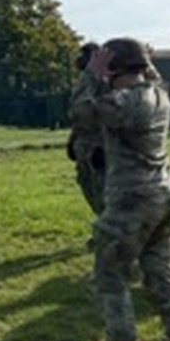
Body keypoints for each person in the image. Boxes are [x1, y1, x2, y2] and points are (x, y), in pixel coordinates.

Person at [70, 36, 170, 341]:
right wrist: (141, 58)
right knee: (163, 276)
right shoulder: (159, 93)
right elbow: (152, 77)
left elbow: (82, 113)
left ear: (113, 67)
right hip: (166, 194)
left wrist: (90, 74)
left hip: (131, 201)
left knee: (110, 277)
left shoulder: (124, 102)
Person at [67, 41, 106, 215]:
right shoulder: (87, 81)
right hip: (85, 148)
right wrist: (73, 139)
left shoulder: (103, 82)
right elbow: (78, 117)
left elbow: (87, 109)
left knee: (105, 195)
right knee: (89, 189)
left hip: (101, 150)